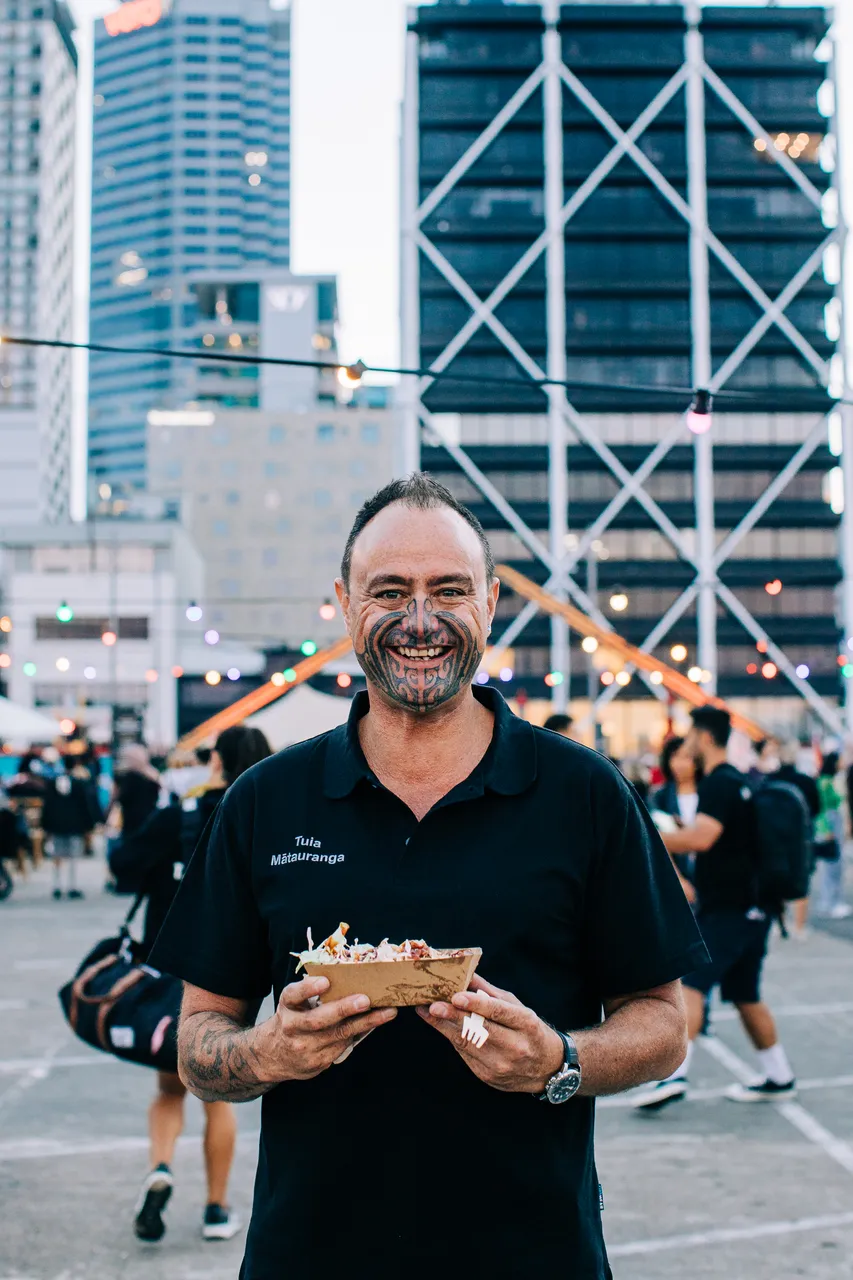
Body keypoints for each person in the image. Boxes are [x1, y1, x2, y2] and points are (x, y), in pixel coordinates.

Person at [150, 473, 707, 1279]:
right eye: (390, 591)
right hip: (310, 1255)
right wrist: (272, 1051)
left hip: (533, 1255)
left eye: (449, 589)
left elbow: (662, 1023)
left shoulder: (584, 793)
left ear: (488, 604)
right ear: (345, 605)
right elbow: (198, 1047)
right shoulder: (263, 803)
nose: (420, 620)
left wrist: (559, 1062)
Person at [109, 725, 272, 1245]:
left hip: (168, 967)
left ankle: (160, 1167)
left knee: (168, 1088)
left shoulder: (185, 811)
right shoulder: (271, 811)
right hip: (232, 972)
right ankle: (217, 1207)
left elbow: (123, 863)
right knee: (216, 1096)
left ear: (217, 761)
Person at [634, 706, 796, 1111]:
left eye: (690, 735)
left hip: (730, 908)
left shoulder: (720, 783)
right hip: (752, 908)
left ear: (704, 737)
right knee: (745, 994)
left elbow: (703, 838)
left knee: (691, 985)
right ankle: (779, 1074)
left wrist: (642, 835)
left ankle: (674, 1077)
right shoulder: (736, 780)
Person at [41, 756, 102, 899]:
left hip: (57, 825)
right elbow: (85, 805)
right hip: (75, 824)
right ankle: (72, 885)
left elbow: (47, 806)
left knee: (57, 855)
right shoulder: (79, 784)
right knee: (73, 856)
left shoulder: (52, 784)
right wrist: (89, 824)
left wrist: (46, 825)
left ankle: (57, 885)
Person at [649, 736, 703, 889]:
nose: (680, 763)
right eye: (675, 757)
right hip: (675, 877)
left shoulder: (708, 793)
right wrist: (678, 880)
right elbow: (656, 839)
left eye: (686, 757)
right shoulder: (660, 797)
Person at [813, 751, 851, 919]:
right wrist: (825, 829)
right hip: (830, 823)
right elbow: (820, 808)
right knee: (832, 865)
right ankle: (830, 902)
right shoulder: (825, 782)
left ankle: (831, 901)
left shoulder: (830, 781)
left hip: (835, 822)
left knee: (834, 865)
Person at [110, 744, 161, 838]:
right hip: (150, 817)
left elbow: (122, 798)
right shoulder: (153, 774)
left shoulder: (129, 777)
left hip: (132, 820)